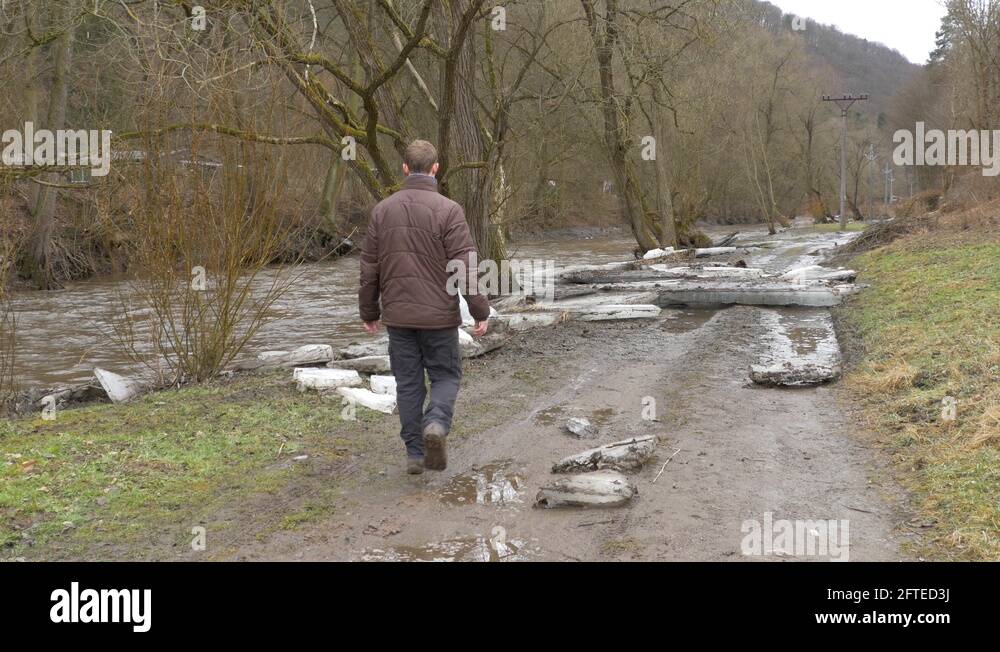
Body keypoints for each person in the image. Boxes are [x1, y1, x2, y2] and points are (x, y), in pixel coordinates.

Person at [358, 139, 490, 475]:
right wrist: (480, 311)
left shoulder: (382, 210)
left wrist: (369, 312)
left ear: (404, 168)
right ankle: (436, 423)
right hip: (439, 317)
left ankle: (415, 454)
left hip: (399, 318)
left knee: (408, 383)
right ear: (435, 169)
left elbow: (369, 268)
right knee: (446, 375)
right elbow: (466, 267)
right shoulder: (449, 210)